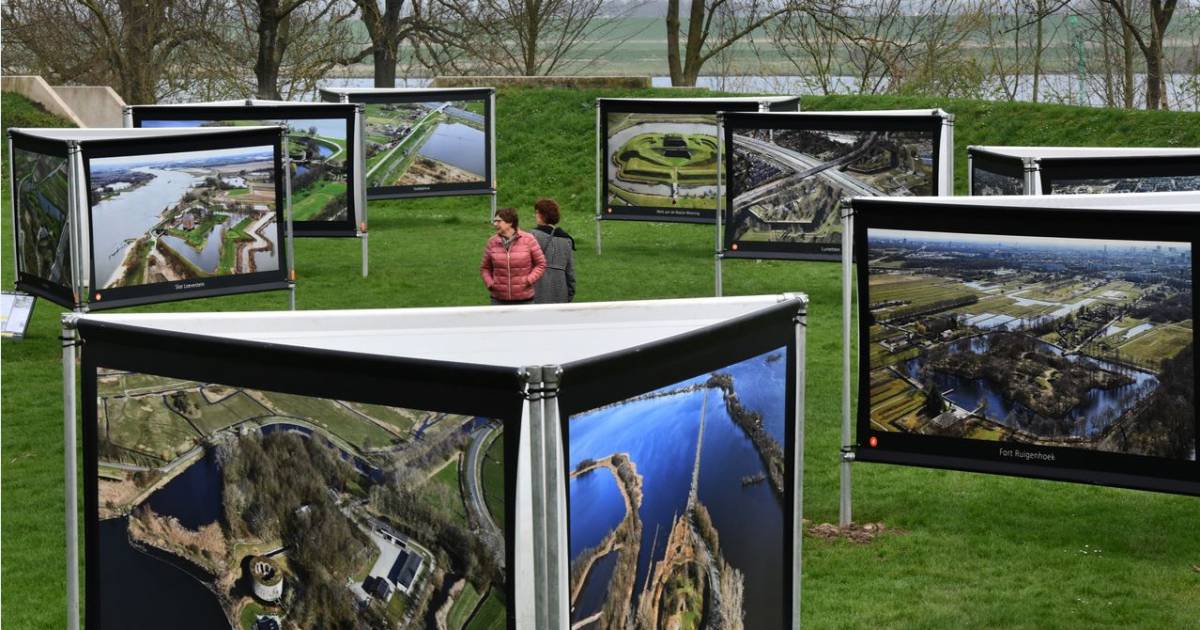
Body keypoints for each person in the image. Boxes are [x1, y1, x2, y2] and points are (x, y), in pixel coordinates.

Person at [480, 207, 546, 305]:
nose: (495, 224)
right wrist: (491, 284)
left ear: (510, 222)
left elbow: (541, 264)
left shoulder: (529, 239)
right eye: (495, 221)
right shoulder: (492, 242)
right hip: (498, 300)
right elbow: (485, 268)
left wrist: (529, 280)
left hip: (525, 300)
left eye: (498, 221)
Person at [529, 198, 576, 304]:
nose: (535, 215)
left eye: (537, 212)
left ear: (542, 215)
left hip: (536, 292)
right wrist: (568, 297)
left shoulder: (532, 236)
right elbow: (570, 274)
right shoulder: (567, 240)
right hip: (560, 294)